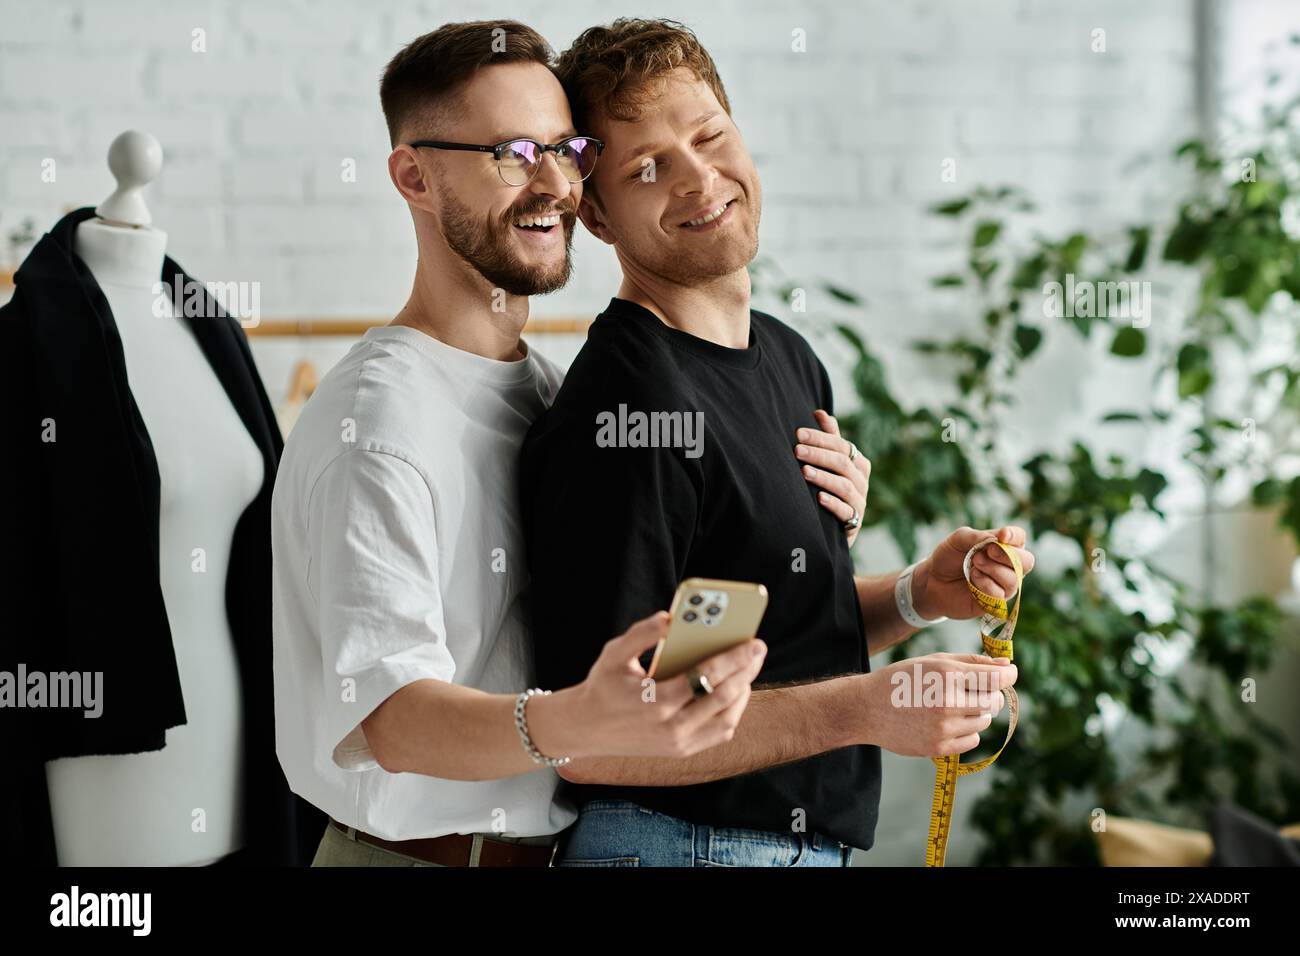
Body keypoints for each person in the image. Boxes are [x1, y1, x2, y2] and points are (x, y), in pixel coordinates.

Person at [521, 18, 1036, 867]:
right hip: (681, 849)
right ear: (599, 218)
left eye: (709, 136)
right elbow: (595, 737)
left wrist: (918, 596)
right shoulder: (626, 409)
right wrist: (868, 709)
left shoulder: (788, 359)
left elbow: (737, 647)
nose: (697, 179)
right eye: (647, 167)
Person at [270, 19, 766, 869]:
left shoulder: (545, 390)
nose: (554, 184)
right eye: (510, 152)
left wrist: (818, 532)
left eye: (566, 149)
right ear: (413, 176)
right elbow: (392, 719)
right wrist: (584, 720)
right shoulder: (378, 425)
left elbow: (640, 621)